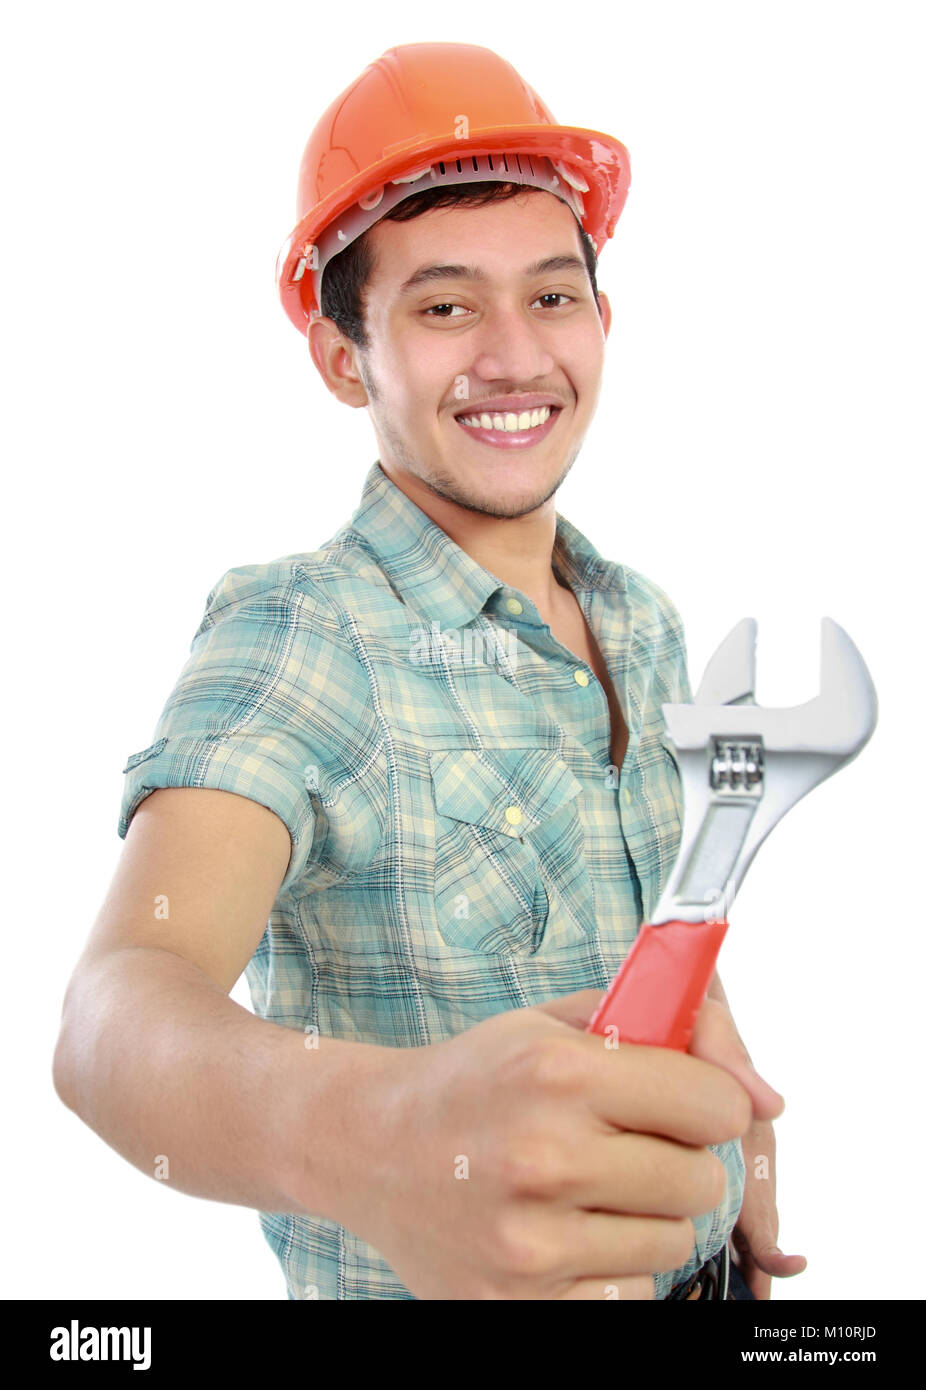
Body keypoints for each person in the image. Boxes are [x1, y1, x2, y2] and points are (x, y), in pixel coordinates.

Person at [52, 41, 806, 1301]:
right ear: (343, 357)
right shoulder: (305, 633)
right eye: (445, 307)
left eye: (551, 296)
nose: (514, 357)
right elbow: (114, 1012)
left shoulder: (642, 623)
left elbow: (646, 920)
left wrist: (727, 1129)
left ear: (602, 321)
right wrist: (390, 1135)